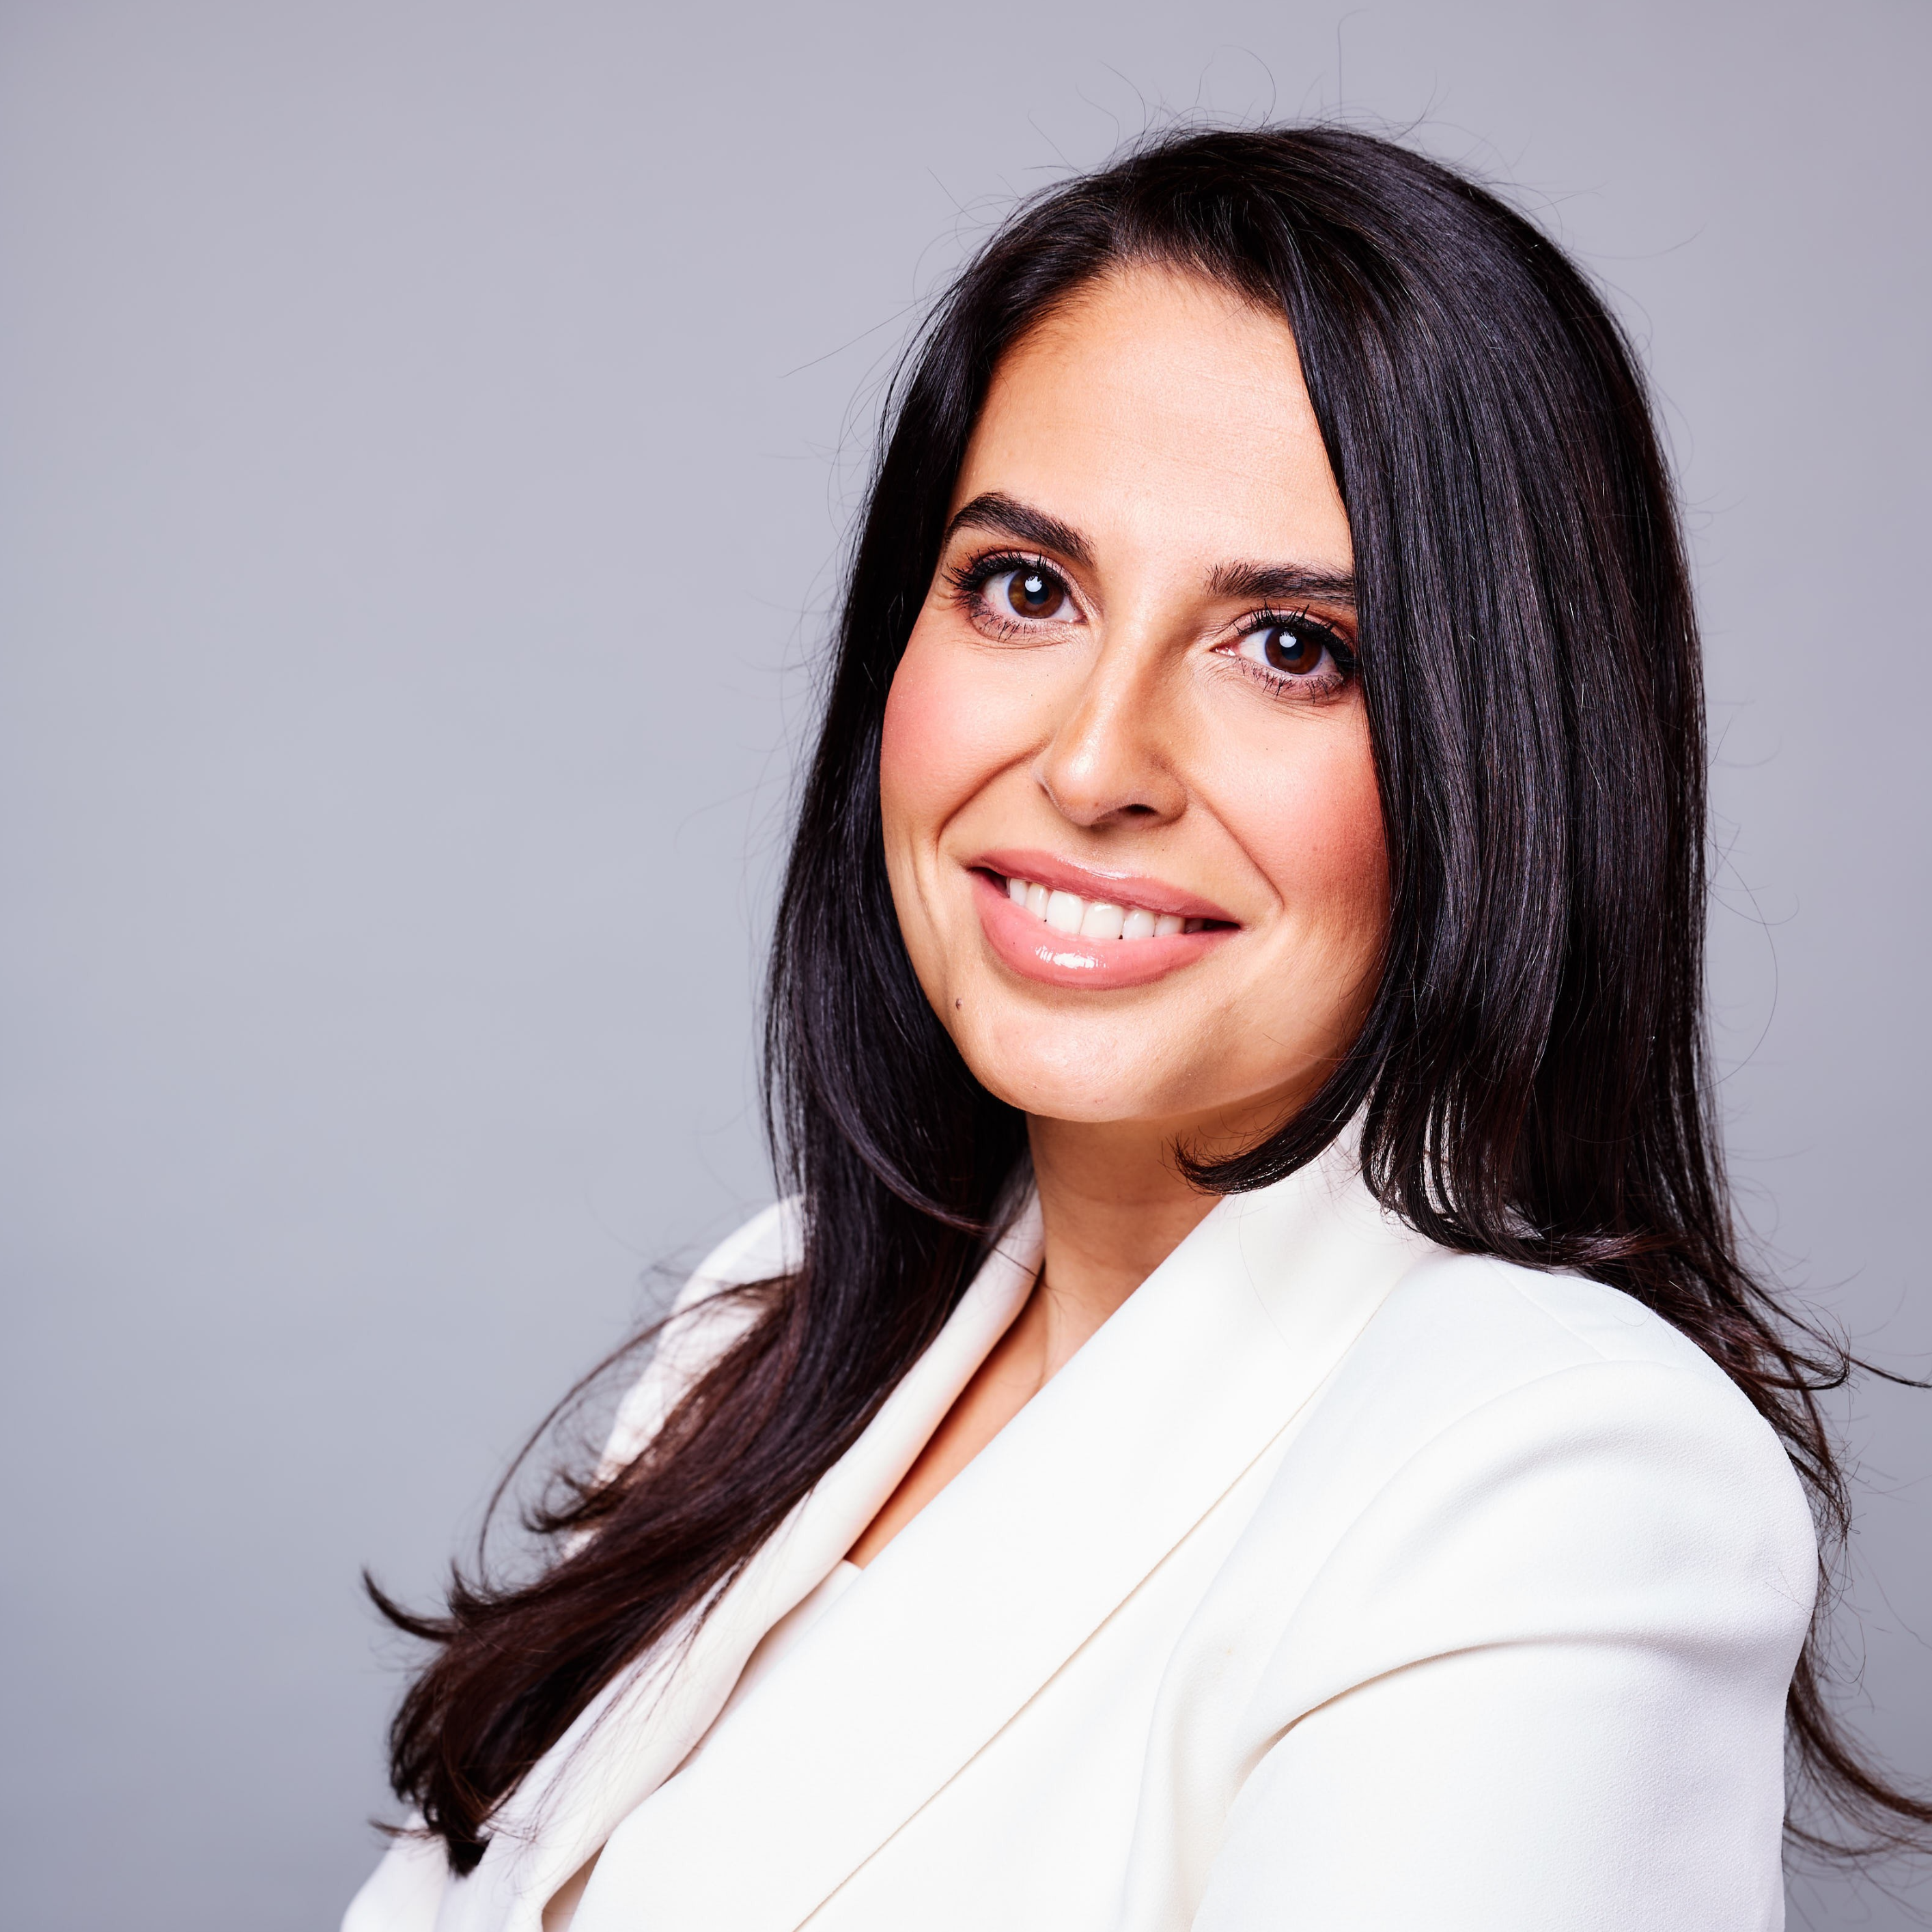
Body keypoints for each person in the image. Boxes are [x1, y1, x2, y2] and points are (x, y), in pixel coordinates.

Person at [344, 124, 1929, 1932]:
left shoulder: (1557, 1478)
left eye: (1292, 647)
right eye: (1025, 589)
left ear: (1504, 762)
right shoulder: (762, 1330)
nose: (1096, 762)